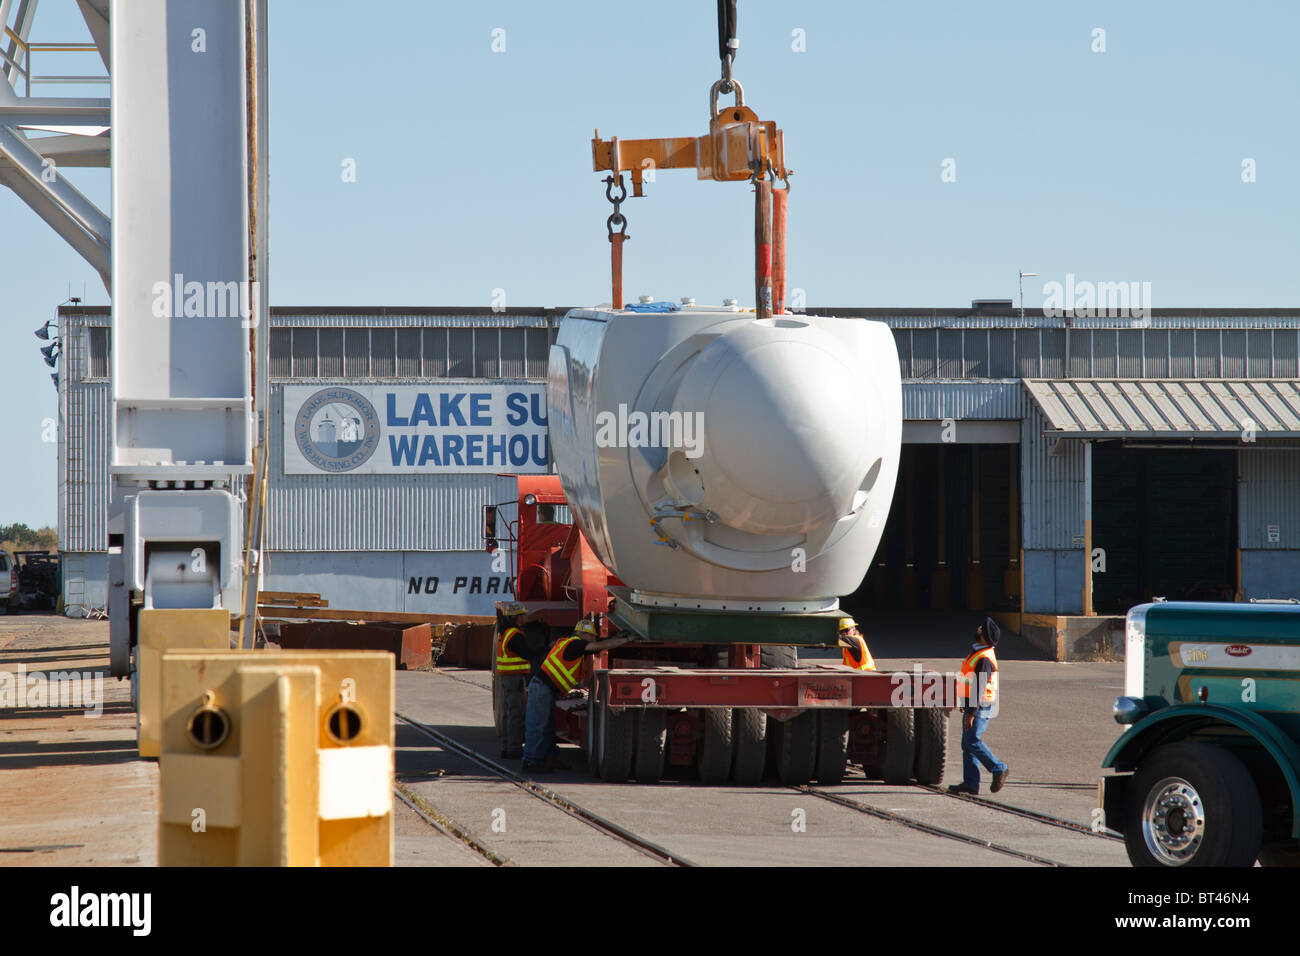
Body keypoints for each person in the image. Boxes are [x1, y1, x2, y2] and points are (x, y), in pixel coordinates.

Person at [522, 618, 627, 774]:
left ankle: (549, 758)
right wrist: (622, 641)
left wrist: (614, 638)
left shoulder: (569, 643)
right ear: (584, 634)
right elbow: (598, 646)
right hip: (542, 689)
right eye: (592, 636)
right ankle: (531, 762)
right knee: (538, 726)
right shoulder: (576, 644)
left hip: (545, 689)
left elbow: (596, 644)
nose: (593, 640)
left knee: (547, 727)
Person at [948, 616, 1008, 795]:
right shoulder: (977, 652)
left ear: (985, 636)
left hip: (980, 705)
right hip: (972, 704)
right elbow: (969, 680)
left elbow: (980, 686)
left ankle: (998, 768)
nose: (978, 628)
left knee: (972, 741)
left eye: (981, 628)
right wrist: (963, 701)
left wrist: (971, 712)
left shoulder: (984, 658)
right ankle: (971, 783)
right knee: (967, 744)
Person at [494, 602, 534, 759]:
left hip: (508, 677)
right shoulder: (515, 635)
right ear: (518, 617)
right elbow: (527, 653)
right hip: (514, 678)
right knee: (516, 713)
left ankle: (507, 746)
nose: (526, 617)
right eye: (523, 614)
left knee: (508, 713)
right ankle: (514, 749)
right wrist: (546, 649)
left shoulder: (505, 632)